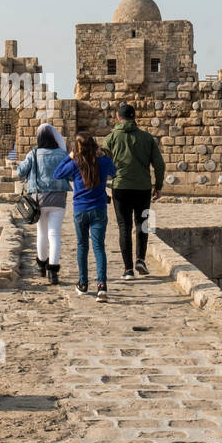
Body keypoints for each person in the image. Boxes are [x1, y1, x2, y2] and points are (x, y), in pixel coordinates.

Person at [103, 102, 166, 280]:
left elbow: (101, 164)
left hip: (120, 188)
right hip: (143, 188)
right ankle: (141, 260)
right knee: (143, 224)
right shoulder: (147, 138)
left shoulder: (110, 139)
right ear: (134, 117)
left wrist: (104, 184)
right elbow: (159, 164)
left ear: (118, 118)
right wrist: (158, 186)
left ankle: (128, 270)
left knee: (124, 226)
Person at [54, 131, 117, 301]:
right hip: (99, 209)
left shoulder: (75, 163)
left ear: (77, 148)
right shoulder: (103, 161)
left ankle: (83, 283)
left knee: (82, 246)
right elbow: (115, 172)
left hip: (80, 210)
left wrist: (70, 156)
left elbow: (57, 173)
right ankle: (102, 285)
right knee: (99, 247)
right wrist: (102, 155)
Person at [14, 123, 71, 284]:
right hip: (58, 199)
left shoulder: (34, 153)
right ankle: (53, 270)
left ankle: (41, 265)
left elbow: (20, 172)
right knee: (55, 234)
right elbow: (71, 175)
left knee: (42, 233)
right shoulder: (62, 154)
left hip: (39, 199)